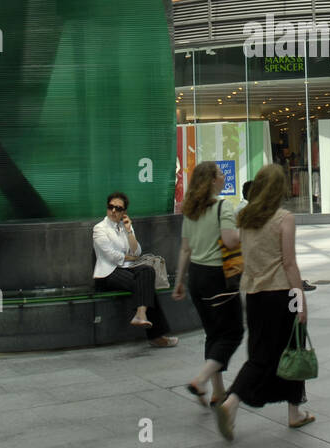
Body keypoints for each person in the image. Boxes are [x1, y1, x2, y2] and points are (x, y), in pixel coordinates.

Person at [213, 163, 314, 440]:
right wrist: (300, 299)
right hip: (282, 294)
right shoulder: (284, 218)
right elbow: (289, 263)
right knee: (293, 348)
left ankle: (239, 404)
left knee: (259, 354)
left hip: (255, 295)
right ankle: (282, 411)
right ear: (280, 189)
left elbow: (234, 244)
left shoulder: (244, 216)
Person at [174, 162, 245, 408]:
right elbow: (230, 240)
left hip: (196, 276)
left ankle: (218, 391)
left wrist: (179, 282)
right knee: (233, 332)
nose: (224, 177)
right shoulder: (223, 206)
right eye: (220, 174)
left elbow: (185, 248)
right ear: (212, 180)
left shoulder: (191, 210)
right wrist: (244, 232)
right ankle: (201, 379)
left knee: (213, 334)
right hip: (218, 277)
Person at [92, 191, 178, 347]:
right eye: (111, 207)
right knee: (145, 286)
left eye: (118, 209)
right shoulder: (99, 228)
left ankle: (141, 314)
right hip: (107, 274)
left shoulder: (125, 227)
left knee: (148, 271)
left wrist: (129, 230)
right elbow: (111, 256)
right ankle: (156, 336)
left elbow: (137, 252)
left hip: (126, 269)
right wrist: (129, 258)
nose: (113, 211)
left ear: (123, 212)